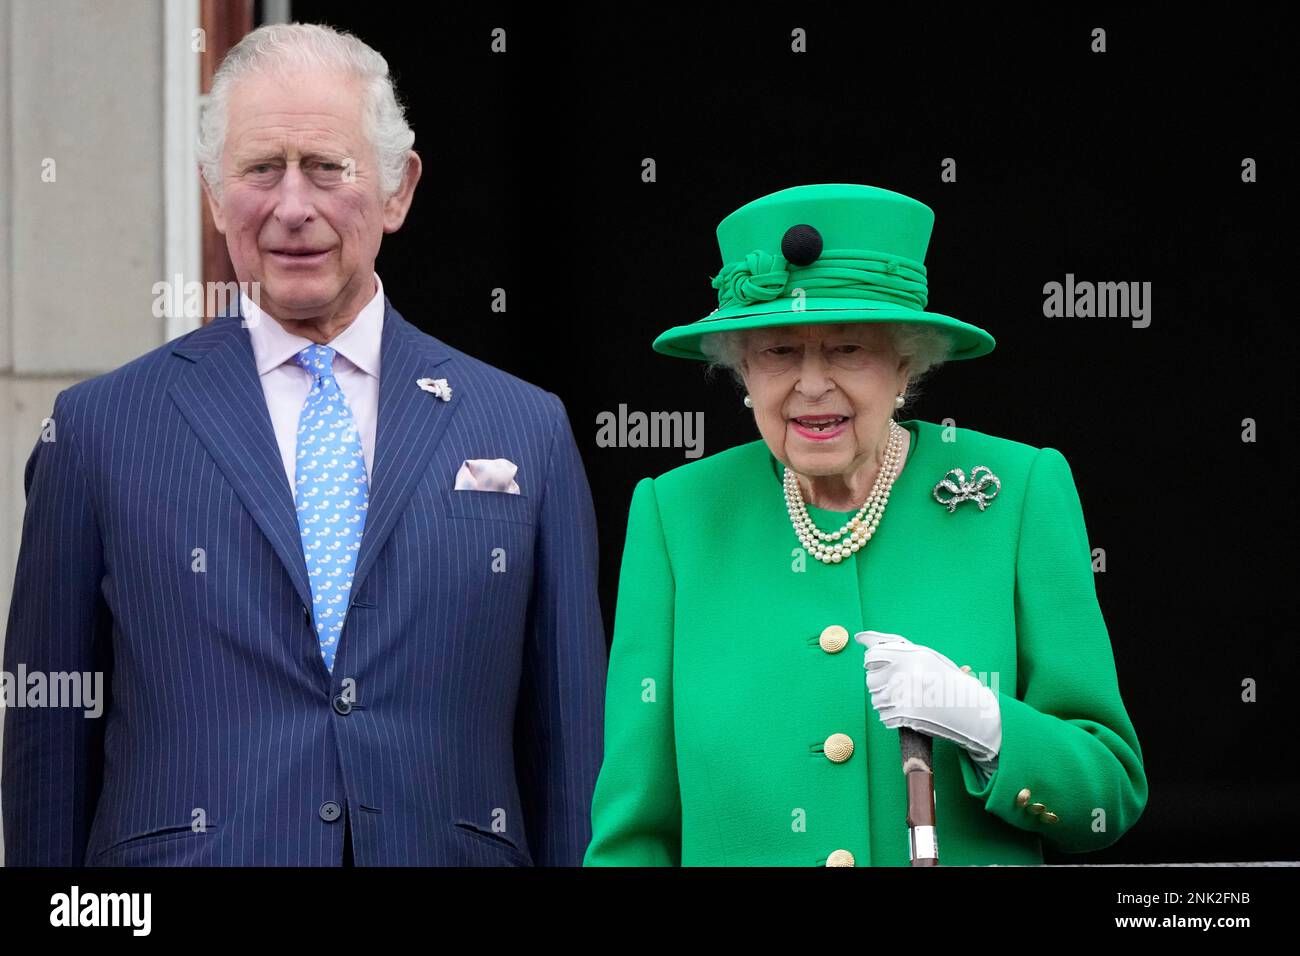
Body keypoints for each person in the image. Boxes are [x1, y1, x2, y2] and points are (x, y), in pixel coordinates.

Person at [2, 23, 605, 866]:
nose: (293, 206)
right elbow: (47, 746)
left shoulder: (524, 429)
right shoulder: (99, 431)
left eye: (328, 167)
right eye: (260, 170)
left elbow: (572, 745)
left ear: (398, 189)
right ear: (215, 196)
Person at [584, 183, 1147, 866]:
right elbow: (635, 834)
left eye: (848, 349)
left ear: (906, 363)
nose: (812, 385)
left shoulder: (1017, 493)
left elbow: (1107, 798)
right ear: (741, 371)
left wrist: (986, 722)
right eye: (779, 352)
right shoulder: (678, 516)